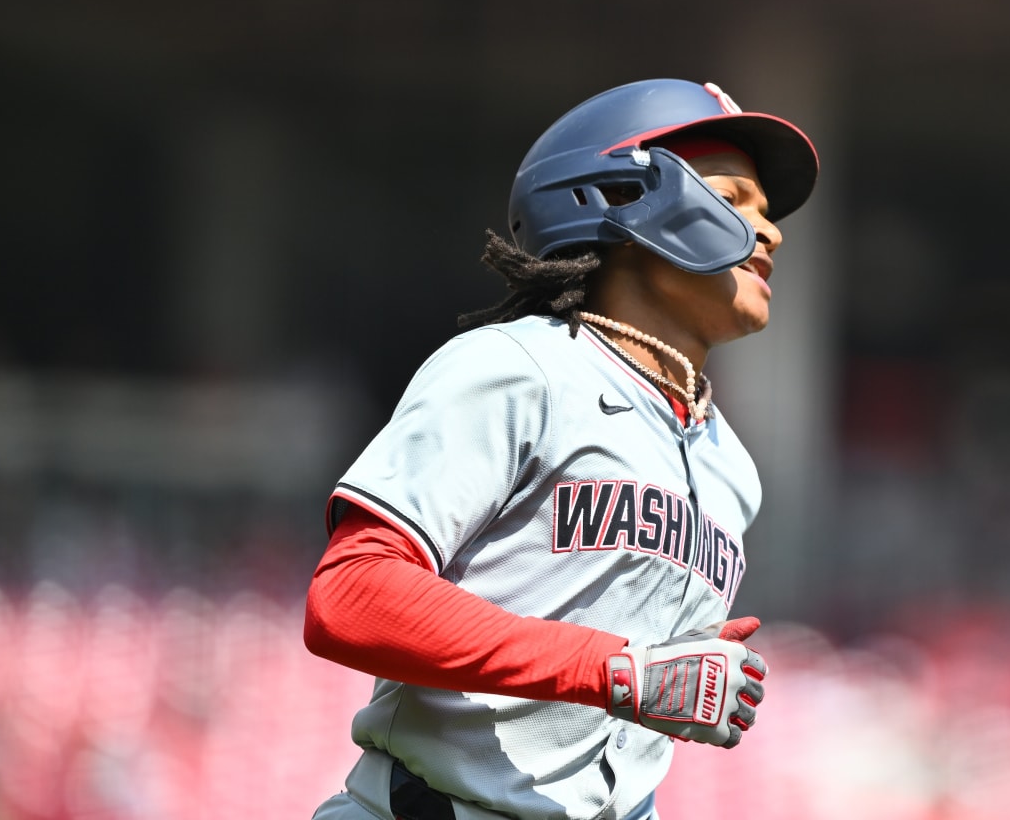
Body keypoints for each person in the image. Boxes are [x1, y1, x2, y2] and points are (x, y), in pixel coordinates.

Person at [304, 78, 819, 820]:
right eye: (735, 199)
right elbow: (350, 596)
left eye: (768, 214)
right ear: (620, 192)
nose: (770, 233)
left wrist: (663, 679)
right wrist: (618, 671)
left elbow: (624, 716)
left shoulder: (731, 466)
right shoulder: (520, 366)